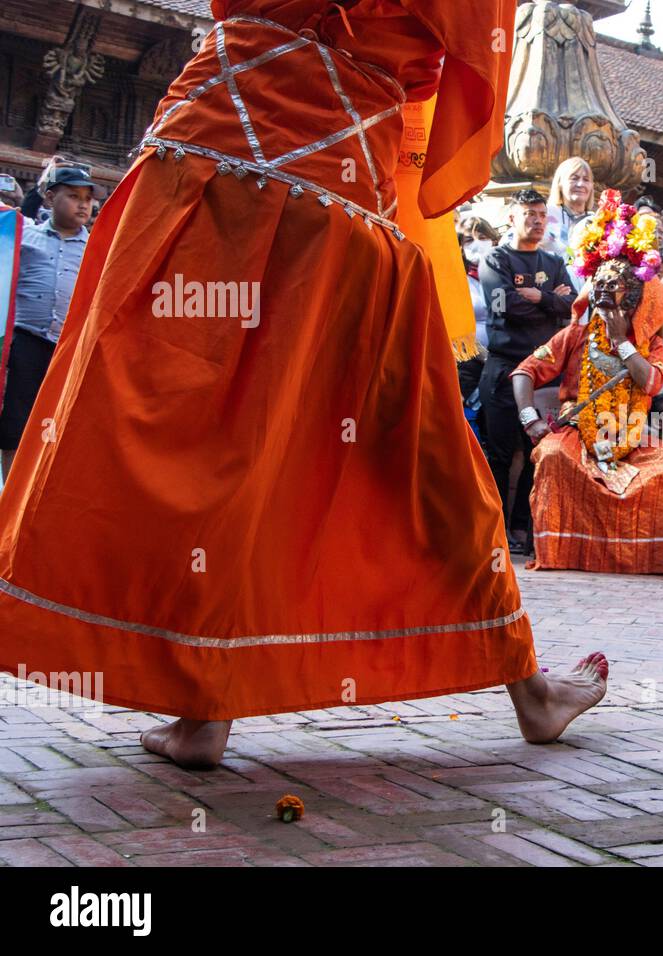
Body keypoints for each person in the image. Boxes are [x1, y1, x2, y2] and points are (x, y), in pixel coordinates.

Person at [0, 0, 609, 770]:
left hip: (213, 156)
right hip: (337, 188)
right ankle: (526, 692)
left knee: (201, 428)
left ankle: (204, 707)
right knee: (414, 449)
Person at [513, 193, 663, 576]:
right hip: (579, 433)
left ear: (639, 304)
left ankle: (653, 558)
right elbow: (524, 371)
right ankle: (563, 553)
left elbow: (652, 384)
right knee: (551, 455)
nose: (613, 308)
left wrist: (625, 343)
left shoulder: (652, 342)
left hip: (629, 441)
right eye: (606, 298)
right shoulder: (577, 334)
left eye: (622, 302)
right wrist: (531, 420)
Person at [479, 188, 577, 553]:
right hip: (505, 368)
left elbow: (571, 307)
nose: (537, 220)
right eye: (529, 214)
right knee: (502, 454)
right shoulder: (496, 259)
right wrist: (550, 301)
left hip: (544, 374)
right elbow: (504, 306)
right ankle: (496, 528)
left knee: (538, 451)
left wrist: (546, 298)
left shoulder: (553, 262)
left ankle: (525, 528)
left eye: (541, 214)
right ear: (512, 217)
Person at [0, 165, 94, 482]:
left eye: (87, 198)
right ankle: (10, 495)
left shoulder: (98, 249)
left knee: (57, 423)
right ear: (50, 197)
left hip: (67, 349)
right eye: (73, 196)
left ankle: (39, 495)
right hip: (24, 343)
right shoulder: (24, 236)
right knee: (14, 424)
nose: (83, 205)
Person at [455, 215, 499, 406]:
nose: (477, 244)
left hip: (504, 363)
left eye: (482, 237)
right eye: (469, 240)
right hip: (470, 364)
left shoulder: (504, 276)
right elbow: (457, 327)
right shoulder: (457, 280)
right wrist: (486, 358)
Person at [543, 156, 595, 255]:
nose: (580, 184)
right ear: (560, 183)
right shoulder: (544, 214)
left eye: (586, 179)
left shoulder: (596, 221)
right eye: (574, 178)